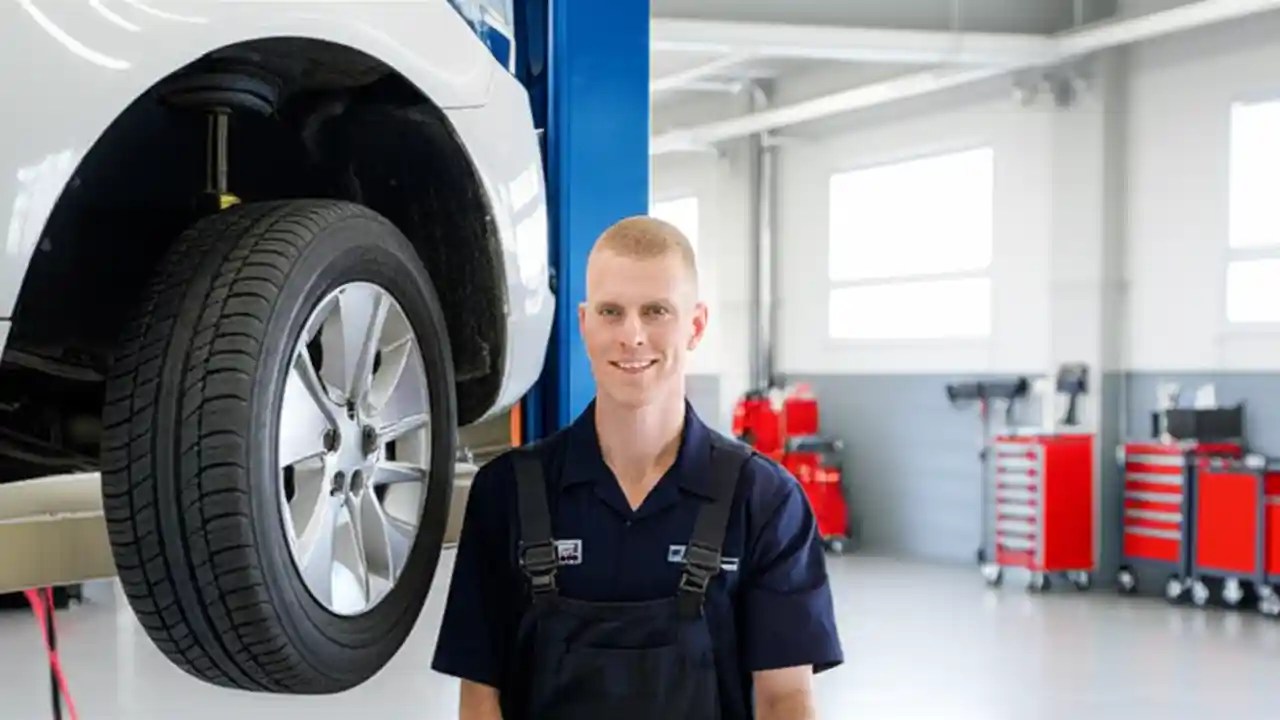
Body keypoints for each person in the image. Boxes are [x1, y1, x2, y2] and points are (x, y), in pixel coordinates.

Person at [431, 216, 843, 720]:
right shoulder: (506, 493)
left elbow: (785, 700)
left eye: (656, 311)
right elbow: (479, 701)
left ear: (695, 326)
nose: (632, 336)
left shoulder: (765, 500)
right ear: (584, 323)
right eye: (611, 312)